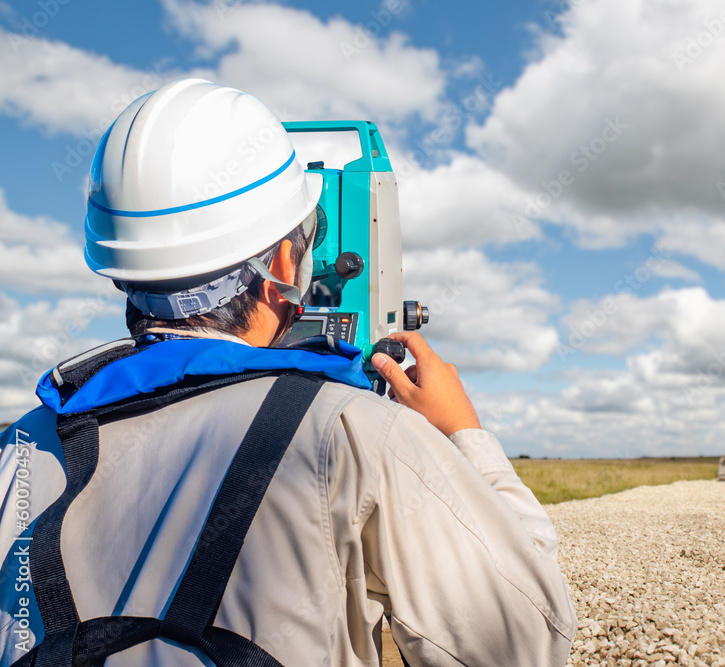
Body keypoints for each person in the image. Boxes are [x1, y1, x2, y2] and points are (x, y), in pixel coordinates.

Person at [0, 79, 576, 666]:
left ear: (121, 268)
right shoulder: (355, 437)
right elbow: (528, 642)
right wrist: (462, 438)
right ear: (282, 260)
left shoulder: (18, 449)